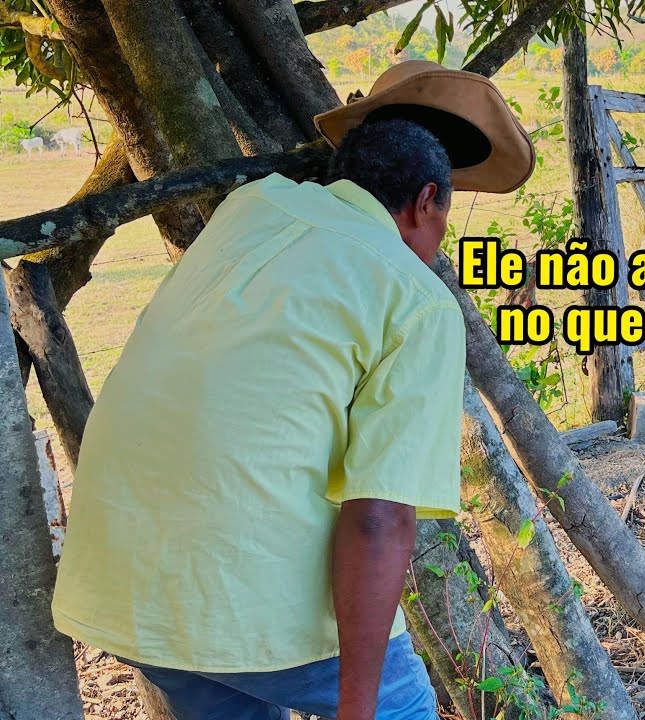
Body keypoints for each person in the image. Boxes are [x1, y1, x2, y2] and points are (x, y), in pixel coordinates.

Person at [51, 60, 535, 720]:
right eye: (441, 224)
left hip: (123, 591)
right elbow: (379, 518)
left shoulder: (249, 207)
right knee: (400, 708)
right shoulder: (416, 299)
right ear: (426, 202)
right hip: (241, 598)